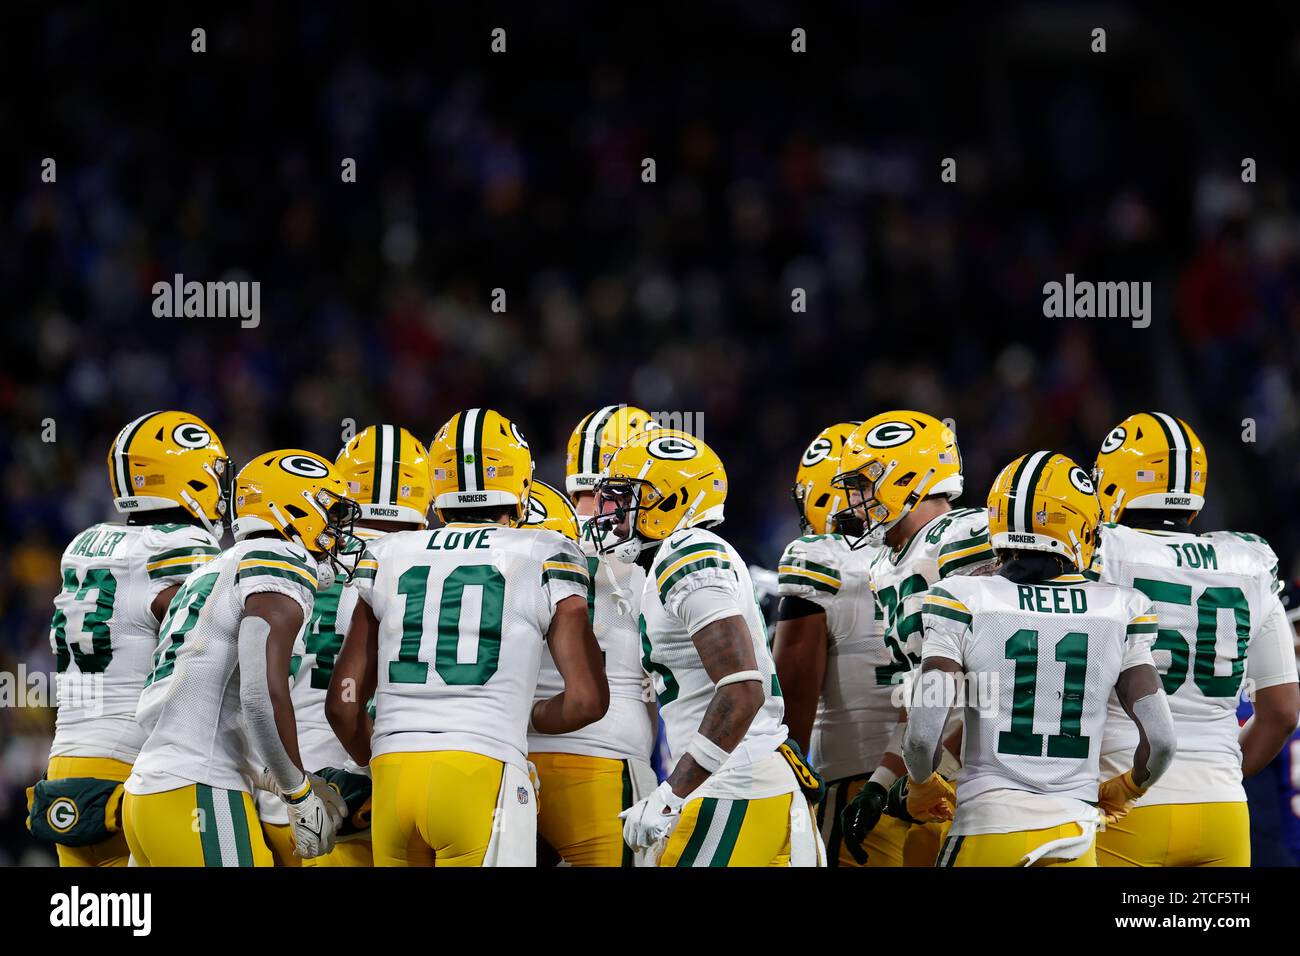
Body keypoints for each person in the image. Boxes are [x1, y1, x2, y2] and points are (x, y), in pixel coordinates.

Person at [326, 408, 609, 866]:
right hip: (482, 769)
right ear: (520, 481)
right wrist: (524, 716)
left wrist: (379, 759)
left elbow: (343, 703)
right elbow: (586, 701)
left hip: (394, 773)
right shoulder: (546, 551)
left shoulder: (385, 553)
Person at [902, 451, 1176, 867]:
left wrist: (922, 783)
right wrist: (1130, 787)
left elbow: (923, 736)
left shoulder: (964, 596)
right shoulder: (1121, 607)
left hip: (989, 826)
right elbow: (1162, 741)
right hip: (1076, 835)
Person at [595, 428, 823, 866]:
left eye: (627, 498)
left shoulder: (687, 552)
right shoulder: (671, 559)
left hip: (734, 784)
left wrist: (669, 795)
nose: (614, 512)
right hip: (755, 780)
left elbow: (742, 689)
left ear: (668, 502)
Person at [123, 450, 356, 866]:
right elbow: (259, 694)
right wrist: (299, 795)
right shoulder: (280, 558)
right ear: (293, 507)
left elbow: (197, 713)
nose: (337, 531)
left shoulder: (212, 569)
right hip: (201, 794)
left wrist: (284, 782)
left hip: (150, 797)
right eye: (331, 512)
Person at [1091, 412, 1300, 866]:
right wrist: (1215, 774)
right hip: (1223, 810)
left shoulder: (1101, 554)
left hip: (1124, 799)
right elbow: (1282, 711)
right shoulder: (1247, 561)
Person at [28, 411, 230, 867]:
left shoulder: (85, 544)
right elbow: (201, 649)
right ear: (188, 476)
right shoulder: (180, 547)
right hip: (133, 770)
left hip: (65, 766)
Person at [772, 422, 906, 866]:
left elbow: (791, 718)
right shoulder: (928, 555)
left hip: (855, 784)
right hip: (939, 786)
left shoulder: (819, 559)